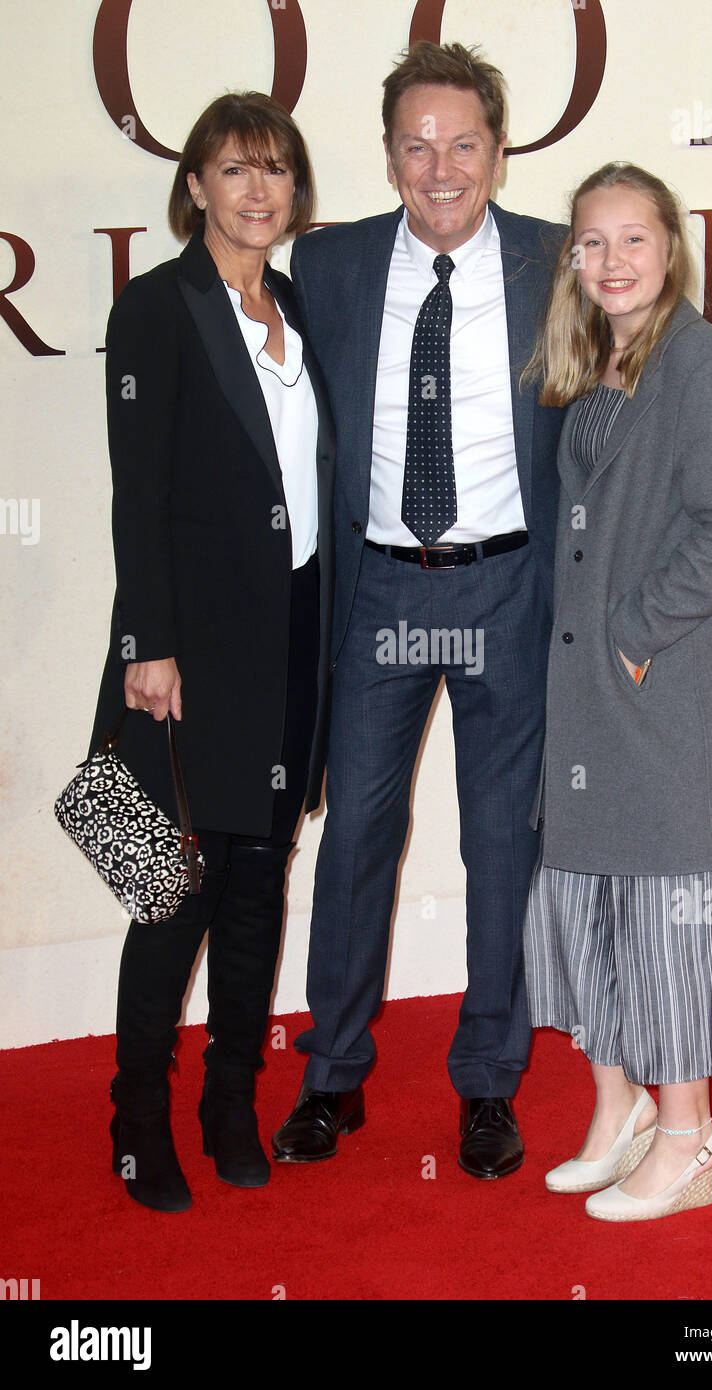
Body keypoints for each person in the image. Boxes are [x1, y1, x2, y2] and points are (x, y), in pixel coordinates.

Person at [271, 41, 567, 1178]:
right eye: (415, 145)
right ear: (388, 157)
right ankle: (332, 1076)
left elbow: (630, 375)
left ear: (496, 149)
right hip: (382, 588)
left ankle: (487, 1082)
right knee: (355, 838)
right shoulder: (329, 265)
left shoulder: (554, 260)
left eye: (460, 143)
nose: (438, 167)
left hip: (507, 586)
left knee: (502, 845)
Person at [90, 92, 334, 1211]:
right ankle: (137, 1117)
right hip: (184, 653)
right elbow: (135, 491)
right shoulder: (155, 309)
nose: (256, 190)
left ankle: (229, 1101)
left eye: (275, 169)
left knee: (254, 886)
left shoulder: (295, 305)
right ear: (194, 185)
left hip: (287, 641)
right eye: (234, 169)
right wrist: (148, 642)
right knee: (168, 890)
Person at [523, 161, 712, 1220]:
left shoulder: (694, 358)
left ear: (668, 250)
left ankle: (687, 1142)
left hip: (669, 690)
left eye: (633, 238)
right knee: (592, 896)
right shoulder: (596, 360)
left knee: (670, 910)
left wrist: (630, 633)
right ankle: (617, 1107)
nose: (612, 259)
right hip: (595, 697)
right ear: (573, 261)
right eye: (591, 241)